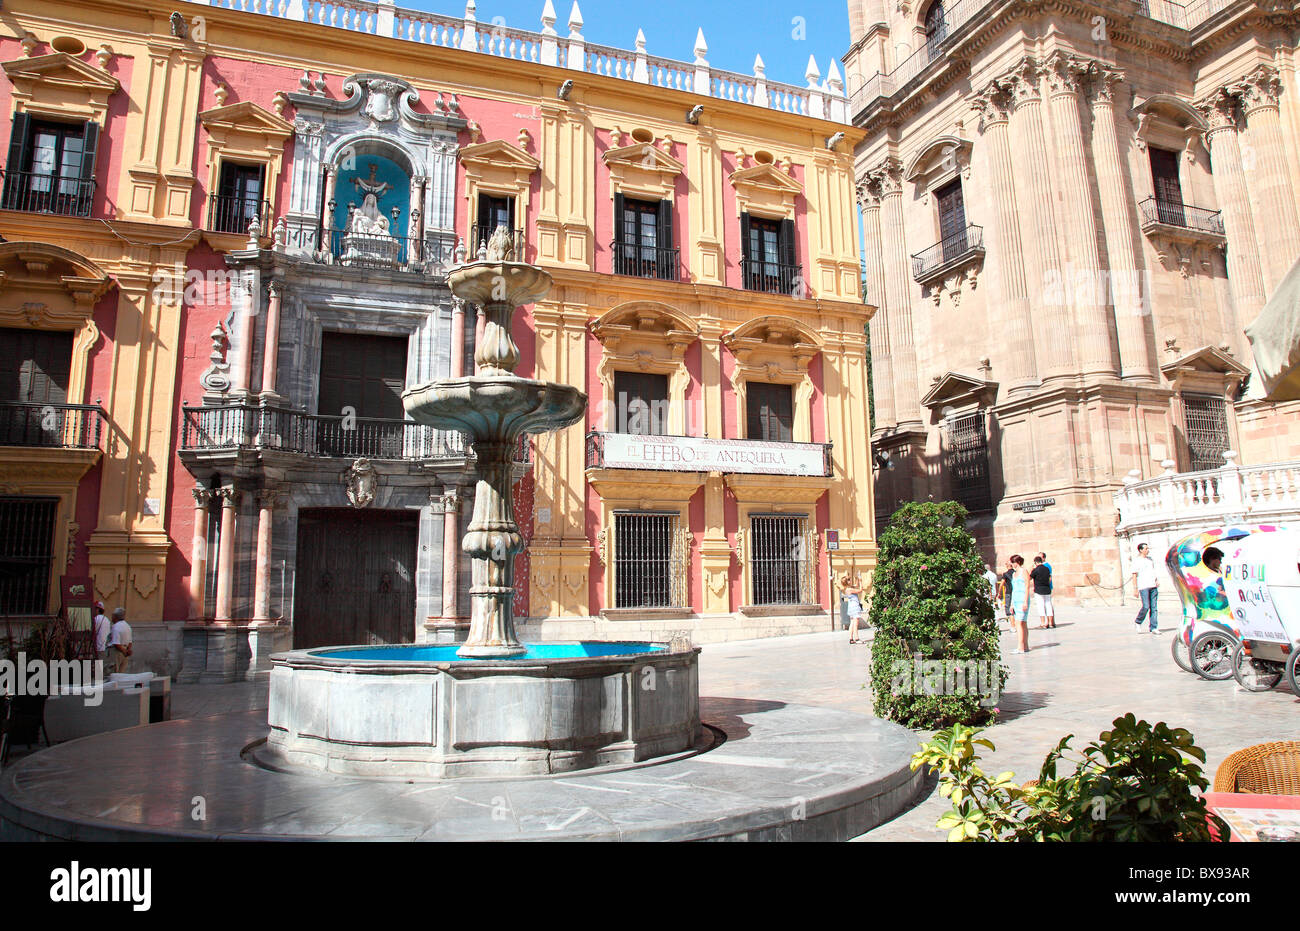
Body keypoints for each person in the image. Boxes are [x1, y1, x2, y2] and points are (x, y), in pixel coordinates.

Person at [1131, 542, 1160, 634]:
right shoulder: (1136, 561)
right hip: (1143, 586)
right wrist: (1135, 588)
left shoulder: (1150, 560)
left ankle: (1153, 627)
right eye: (1146, 549)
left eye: (1148, 548)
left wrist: (1156, 580)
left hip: (1152, 585)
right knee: (1146, 606)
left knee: (1154, 607)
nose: (1147, 550)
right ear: (1141, 550)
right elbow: (1134, 575)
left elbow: (1153, 571)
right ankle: (1138, 621)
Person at [1008, 555, 1031, 653]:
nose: (1011, 564)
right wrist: (1012, 604)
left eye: (1013, 562)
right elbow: (1013, 589)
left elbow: (1027, 586)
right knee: (1023, 623)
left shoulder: (1024, 571)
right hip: (1016, 599)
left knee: (1019, 623)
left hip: (1022, 599)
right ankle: (1025, 646)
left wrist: (1025, 601)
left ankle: (1020, 647)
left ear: (1017, 562)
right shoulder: (1014, 574)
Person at [1030, 556, 1055, 629]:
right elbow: (1050, 578)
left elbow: (1030, 578)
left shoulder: (1036, 570)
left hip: (1038, 590)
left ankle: (1043, 623)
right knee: (1048, 605)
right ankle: (1050, 623)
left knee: (1041, 606)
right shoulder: (1046, 568)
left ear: (1035, 562)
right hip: (1047, 589)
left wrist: (1031, 569)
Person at [107, 607, 133, 673]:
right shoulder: (127, 626)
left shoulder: (116, 627)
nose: (111, 617)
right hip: (125, 652)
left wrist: (124, 651)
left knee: (113, 674)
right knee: (121, 674)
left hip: (117, 652)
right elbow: (130, 642)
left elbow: (116, 643)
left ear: (115, 616)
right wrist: (127, 650)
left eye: (112, 616)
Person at [843, 575, 866, 644]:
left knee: (852, 623)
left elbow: (856, 585)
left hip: (851, 608)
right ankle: (857, 638)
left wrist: (857, 579)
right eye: (849, 580)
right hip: (855, 607)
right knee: (855, 623)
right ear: (846, 582)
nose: (850, 580)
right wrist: (861, 581)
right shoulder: (850, 589)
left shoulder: (848, 589)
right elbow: (860, 590)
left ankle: (851, 638)